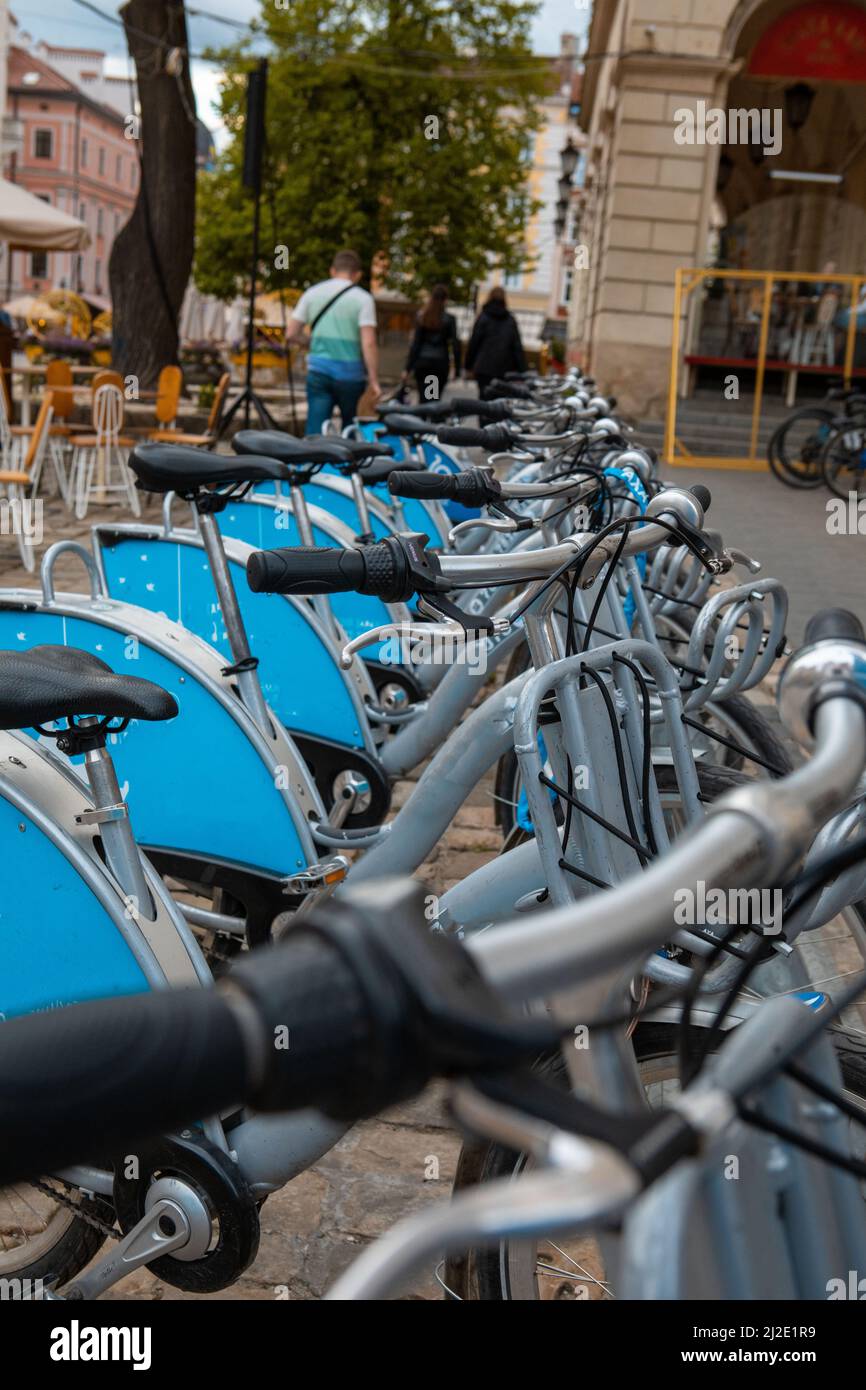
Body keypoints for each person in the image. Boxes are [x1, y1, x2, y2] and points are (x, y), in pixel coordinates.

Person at [286, 249, 381, 434]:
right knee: (353, 429)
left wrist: (311, 343)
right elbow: (368, 342)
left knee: (316, 430)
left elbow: (291, 334)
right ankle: (350, 461)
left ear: (332, 270)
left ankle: (312, 461)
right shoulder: (363, 299)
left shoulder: (312, 293)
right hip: (350, 375)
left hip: (319, 371)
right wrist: (374, 380)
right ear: (358, 275)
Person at [401, 284, 461, 403]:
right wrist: (457, 369)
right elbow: (455, 345)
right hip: (439, 364)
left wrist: (407, 368)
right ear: (445, 300)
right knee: (433, 400)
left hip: (423, 363)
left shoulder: (422, 317)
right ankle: (429, 419)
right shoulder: (449, 319)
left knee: (426, 399)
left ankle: (424, 418)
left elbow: (416, 344)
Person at [464, 286, 527, 395]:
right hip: (504, 369)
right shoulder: (510, 320)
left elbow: (474, 343)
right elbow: (517, 347)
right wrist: (522, 371)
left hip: (483, 368)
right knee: (499, 403)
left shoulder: (483, 317)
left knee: (484, 402)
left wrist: (468, 365)